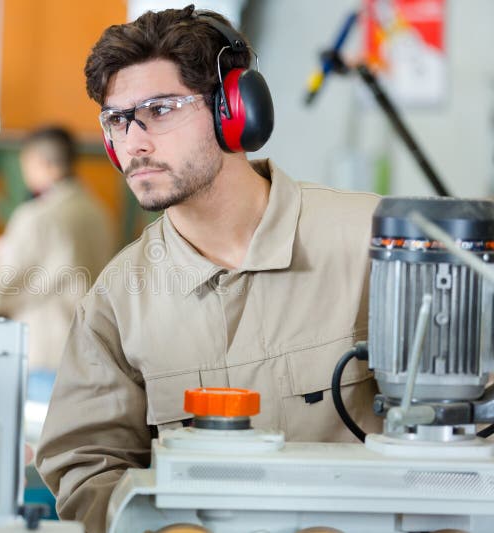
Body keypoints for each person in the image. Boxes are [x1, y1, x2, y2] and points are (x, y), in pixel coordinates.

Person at [35, 6, 382, 532]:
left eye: (160, 109)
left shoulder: (373, 243)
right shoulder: (118, 299)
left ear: (233, 109)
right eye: (118, 120)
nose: (135, 142)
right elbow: (85, 470)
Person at [0, 126, 114, 376]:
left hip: (46, 354)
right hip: (88, 351)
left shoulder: (36, 216)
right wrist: (6, 248)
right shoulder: (97, 212)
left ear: (39, 162)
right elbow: (63, 266)